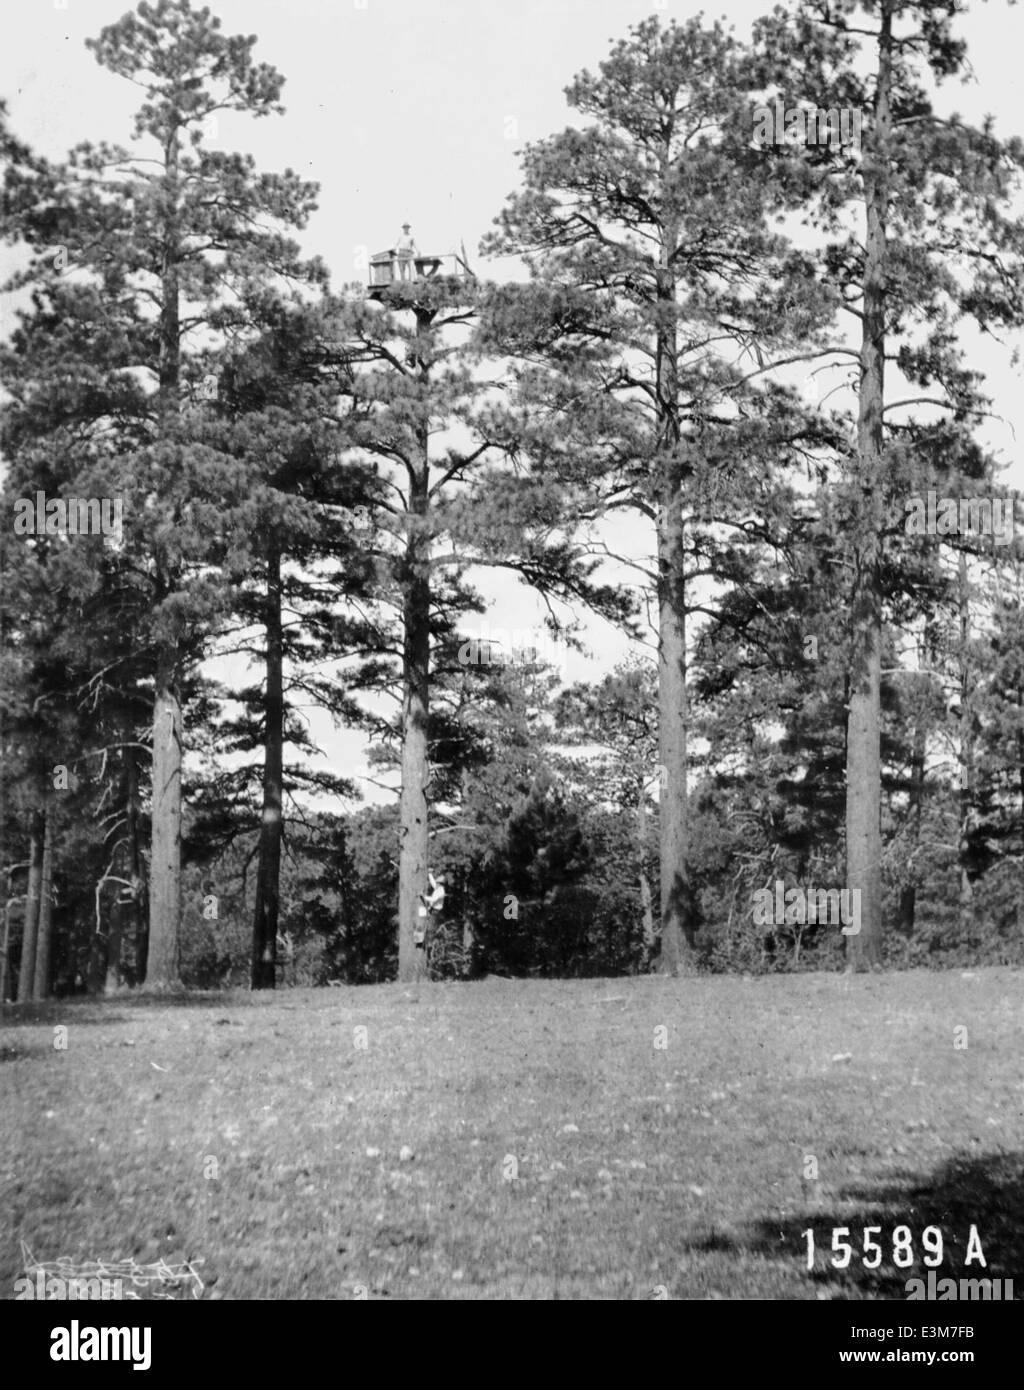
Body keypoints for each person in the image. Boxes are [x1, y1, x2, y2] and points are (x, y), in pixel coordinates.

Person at [414, 872, 445, 946]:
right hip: (431, 909)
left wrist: (423, 896)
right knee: (421, 920)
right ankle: (418, 940)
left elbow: (433, 899)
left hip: (435, 911)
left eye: (437, 883)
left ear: (440, 884)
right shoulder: (438, 888)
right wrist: (430, 873)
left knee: (430, 927)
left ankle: (428, 943)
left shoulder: (441, 892)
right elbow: (432, 882)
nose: (436, 884)